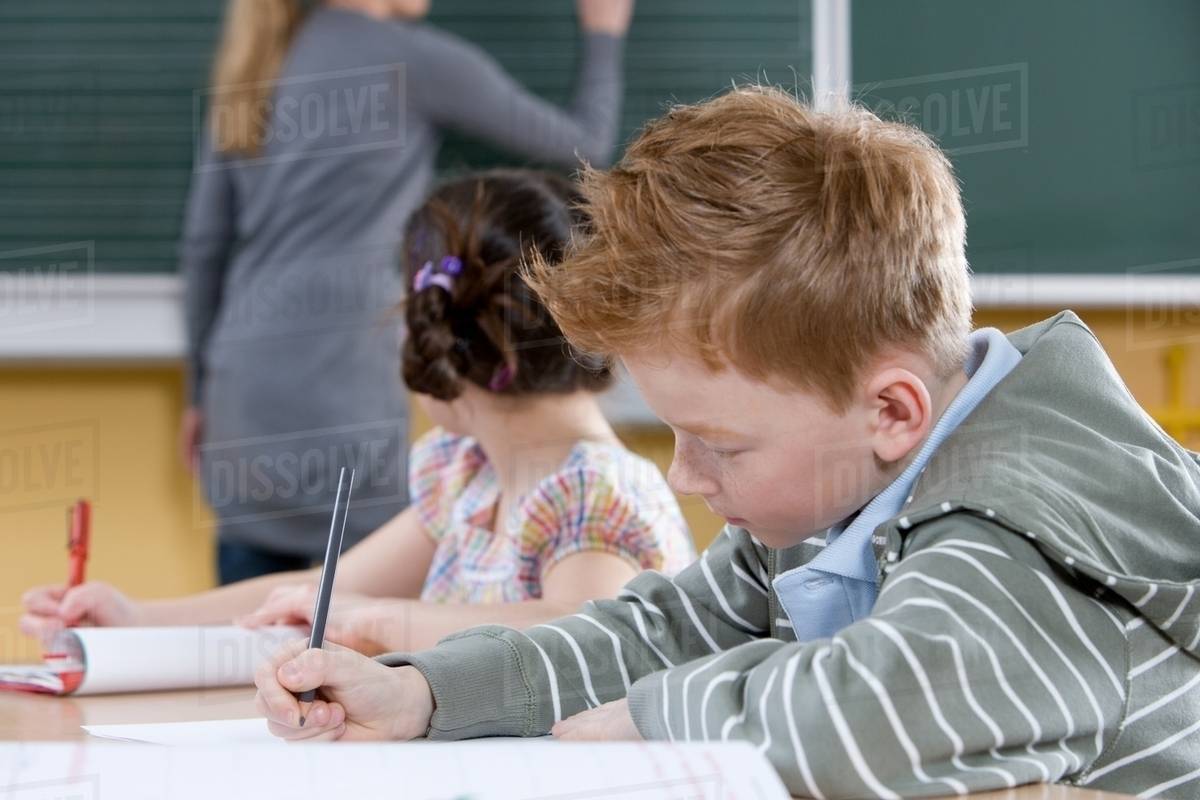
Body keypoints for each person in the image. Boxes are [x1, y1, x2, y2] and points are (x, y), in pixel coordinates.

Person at [253, 88, 1200, 799]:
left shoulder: (1022, 536)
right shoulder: (841, 489)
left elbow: (873, 718)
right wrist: (422, 694)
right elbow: (662, 629)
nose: (682, 473)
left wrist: (660, 711)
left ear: (892, 412)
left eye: (720, 445)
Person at [21, 170, 694, 656]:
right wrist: (134, 618)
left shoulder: (597, 492)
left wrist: (380, 621)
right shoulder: (469, 474)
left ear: (436, 330)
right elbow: (321, 588)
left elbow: (579, 627)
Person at [181, 0, 633, 583]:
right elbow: (583, 148)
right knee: (361, 627)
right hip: (346, 388)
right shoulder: (413, 60)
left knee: (248, 645)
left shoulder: (253, 64)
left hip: (239, 395)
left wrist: (198, 395)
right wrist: (604, 33)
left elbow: (204, 248)